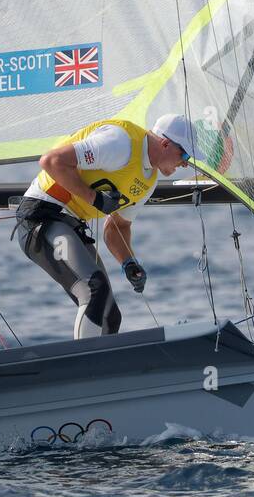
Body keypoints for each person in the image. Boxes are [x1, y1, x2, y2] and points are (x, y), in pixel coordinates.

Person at [14, 114, 195, 338]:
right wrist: (94, 198)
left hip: (70, 225)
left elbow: (117, 227)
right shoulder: (121, 143)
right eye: (185, 154)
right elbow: (51, 161)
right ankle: (84, 370)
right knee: (94, 291)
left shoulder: (149, 180)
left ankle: (103, 369)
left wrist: (128, 262)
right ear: (166, 143)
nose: (186, 163)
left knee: (110, 317)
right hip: (41, 216)